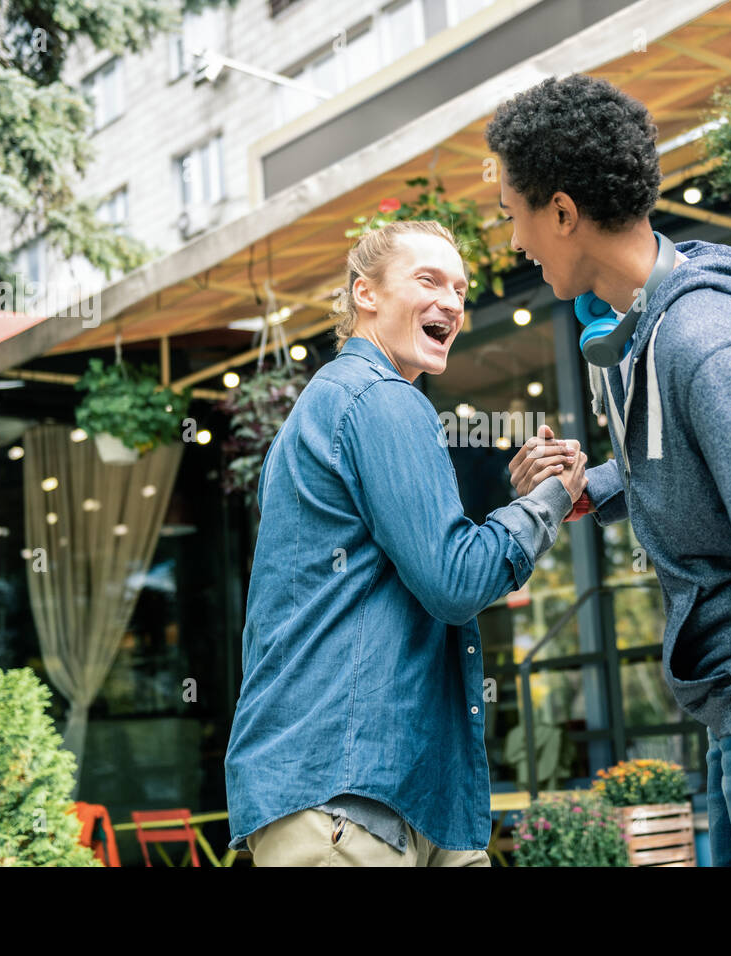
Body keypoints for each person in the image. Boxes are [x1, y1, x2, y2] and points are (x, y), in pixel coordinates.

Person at [489, 75, 731, 866]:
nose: (514, 241)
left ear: (562, 212)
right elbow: (704, 473)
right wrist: (590, 485)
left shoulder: (707, 344)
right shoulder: (644, 332)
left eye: (512, 215)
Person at [225, 220, 587, 866]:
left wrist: (531, 505)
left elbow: (427, 562)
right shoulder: (379, 399)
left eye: (460, 288)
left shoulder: (342, 404)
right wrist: (548, 501)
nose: (451, 301)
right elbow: (454, 582)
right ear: (365, 294)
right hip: (349, 800)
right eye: (428, 280)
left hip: (386, 795)